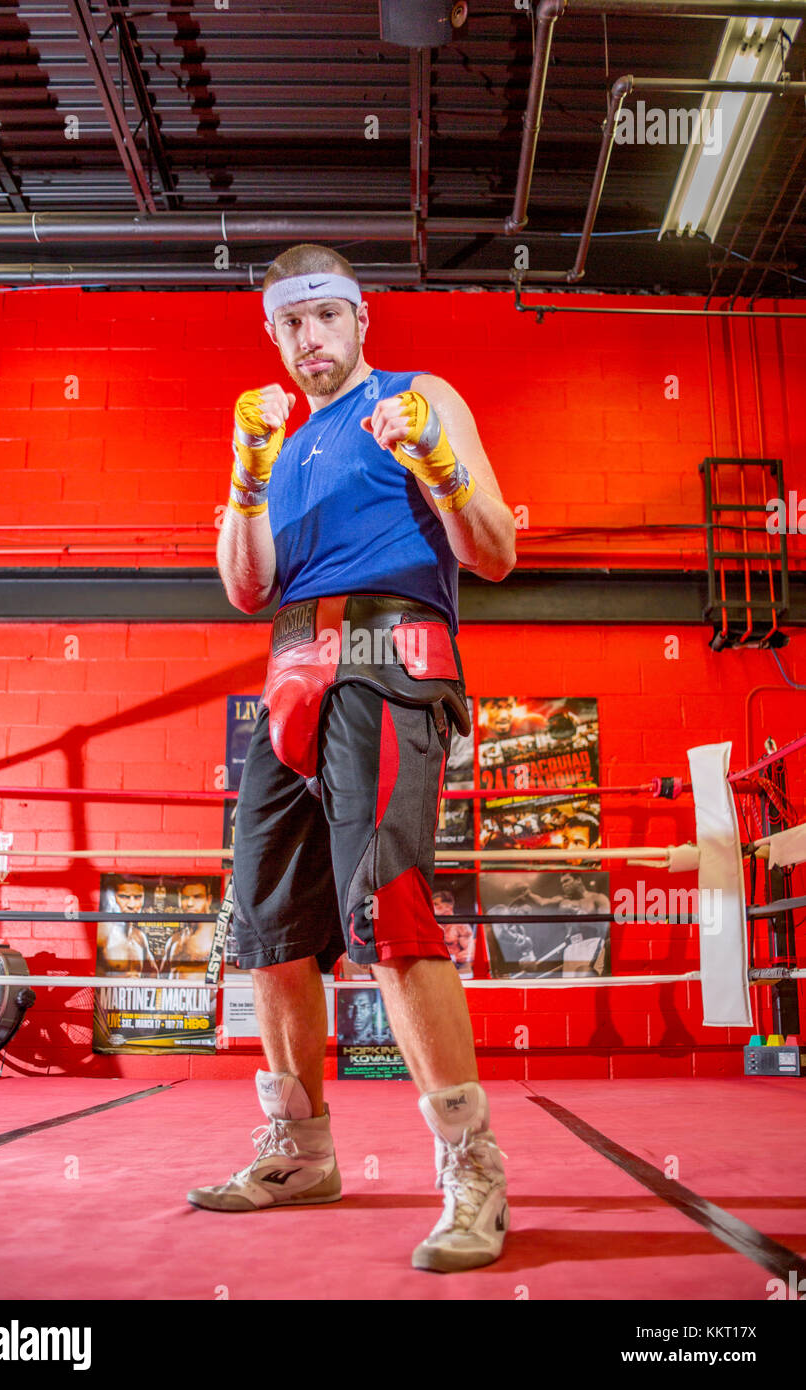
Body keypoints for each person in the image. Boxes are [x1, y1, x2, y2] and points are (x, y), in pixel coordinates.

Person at [188, 243, 515, 1273]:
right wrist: (244, 477)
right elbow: (245, 588)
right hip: (288, 666)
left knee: (389, 910)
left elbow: (494, 550)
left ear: (360, 319)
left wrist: (439, 463)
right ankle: (299, 1152)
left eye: (325, 315)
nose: (308, 338)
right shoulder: (277, 448)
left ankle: (470, 1169)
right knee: (267, 926)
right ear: (273, 335)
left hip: (387, 653)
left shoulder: (419, 396)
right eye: (289, 323)